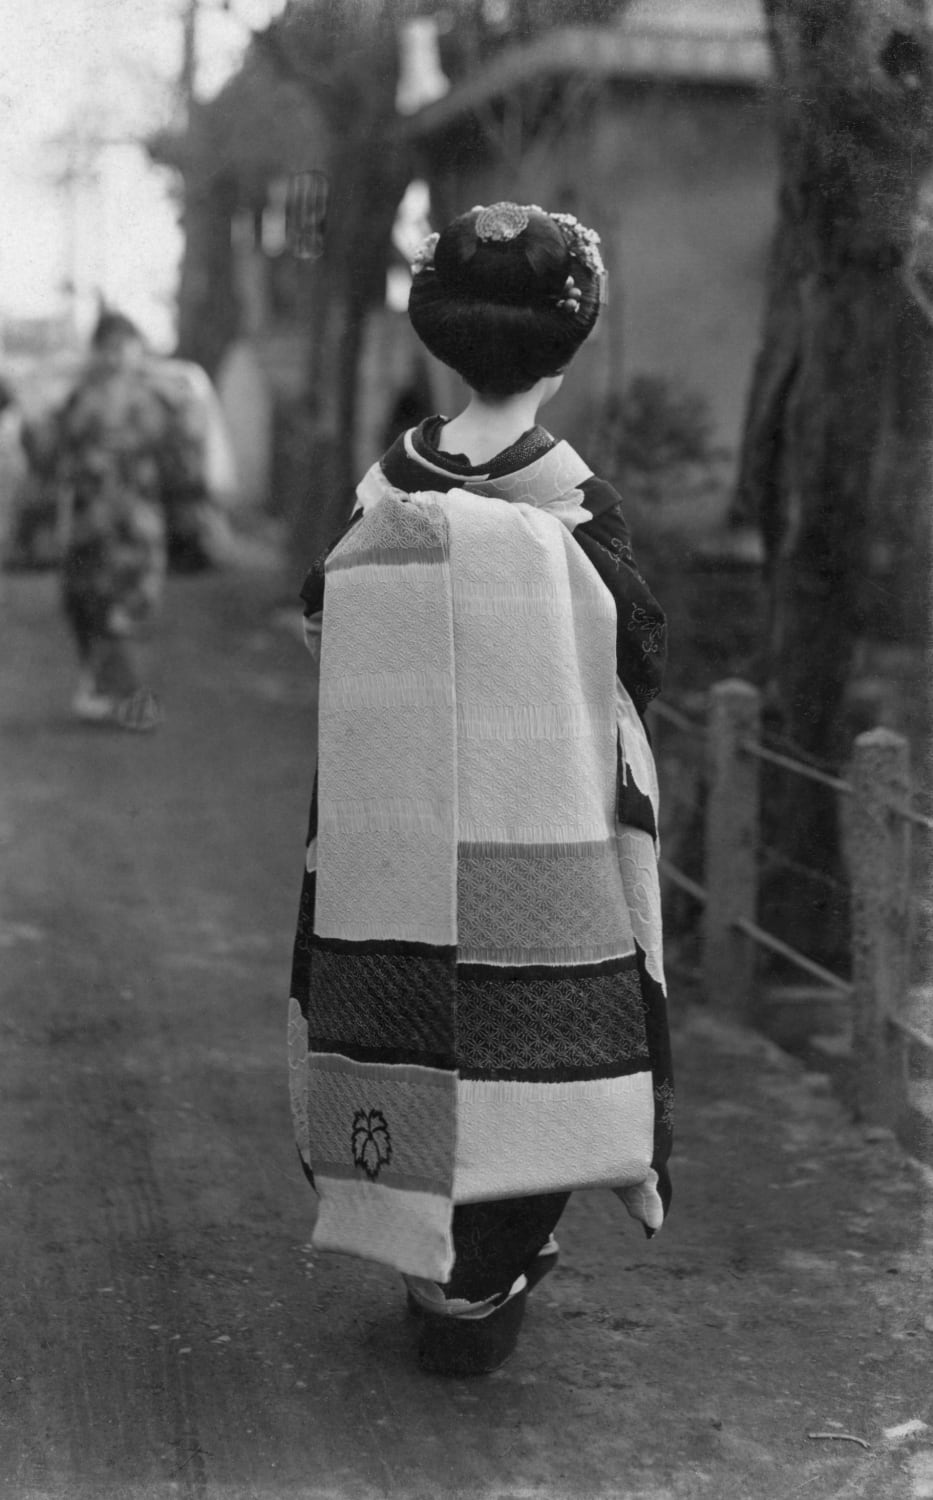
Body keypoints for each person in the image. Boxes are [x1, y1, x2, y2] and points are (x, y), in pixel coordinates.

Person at [287, 202, 673, 1376]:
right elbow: (636, 656)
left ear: (441, 341)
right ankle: (489, 1265)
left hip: (395, 810)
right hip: (540, 817)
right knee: (544, 1017)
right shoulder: (574, 499)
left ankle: (425, 1250)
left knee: (394, 998)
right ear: (568, 350)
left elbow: (325, 614)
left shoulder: (390, 479)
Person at [47, 312, 169, 729]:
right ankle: (101, 688)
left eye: (125, 347)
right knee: (83, 603)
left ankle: (128, 698)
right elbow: (54, 452)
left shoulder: (151, 399)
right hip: (89, 521)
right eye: (109, 348)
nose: (117, 357)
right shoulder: (81, 398)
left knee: (123, 606)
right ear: (97, 352)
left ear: (138, 350)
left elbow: (169, 453)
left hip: (135, 524)